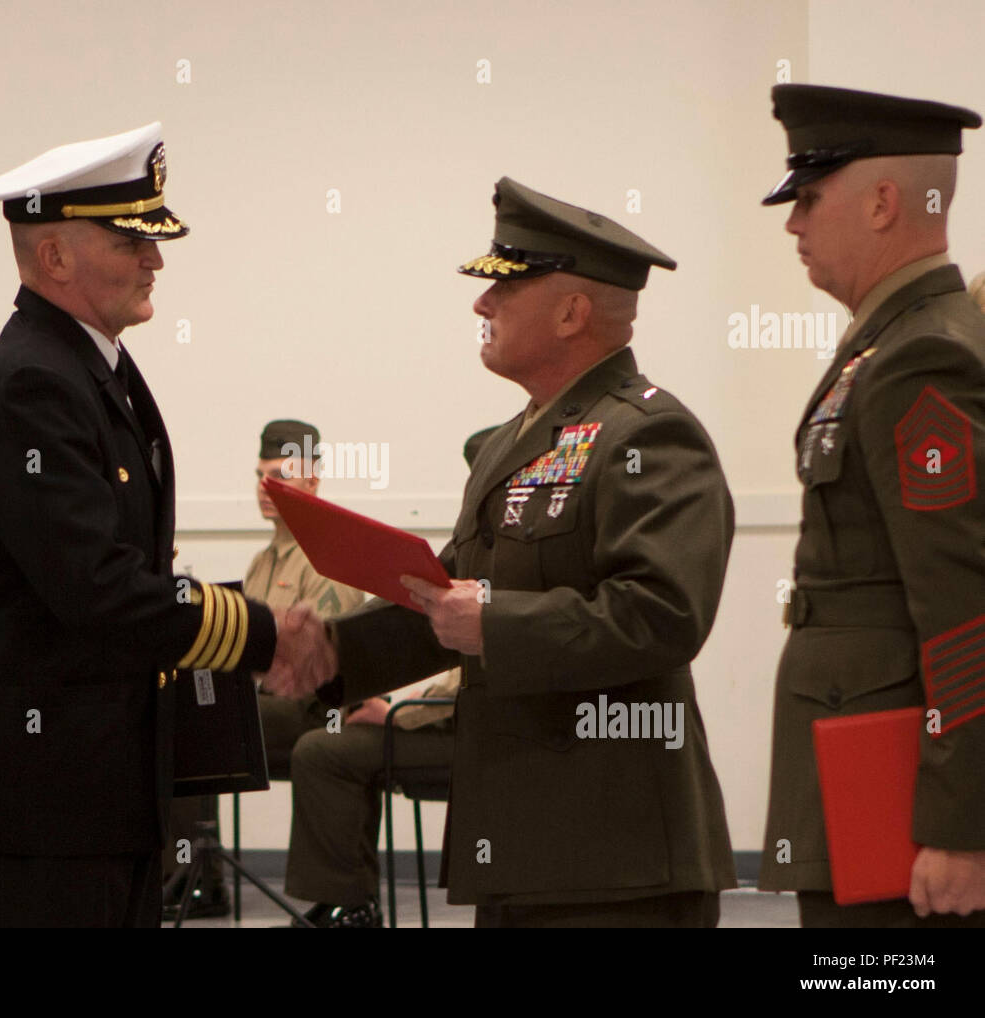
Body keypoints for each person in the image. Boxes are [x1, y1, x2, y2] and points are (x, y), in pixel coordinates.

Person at [270, 178, 737, 927]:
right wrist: (333, 651)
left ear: (572, 312)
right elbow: (444, 595)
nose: (481, 305)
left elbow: (663, 615)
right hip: (520, 845)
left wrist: (496, 623)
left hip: (618, 856)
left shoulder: (647, 435)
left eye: (504, 287)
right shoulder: (512, 444)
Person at [0, 122, 328, 928]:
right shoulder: (31, 384)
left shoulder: (89, 365)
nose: (156, 259)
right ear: (54, 258)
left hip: (103, 795)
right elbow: (99, 588)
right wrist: (264, 636)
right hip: (42, 808)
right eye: (131, 240)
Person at [758, 84, 985, 927]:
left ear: (884, 203)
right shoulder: (889, 344)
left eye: (810, 199)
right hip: (867, 783)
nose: (794, 224)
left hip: (902, 801)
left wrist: (962, 829)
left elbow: (963, 605)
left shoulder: (922, 357)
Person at [283, 427, 496, 928]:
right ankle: (345, 902)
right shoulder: (479, 550)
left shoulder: (505, 560)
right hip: (451, 721)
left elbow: (464, 674)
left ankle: (351, 905)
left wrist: (399, 717)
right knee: (324, 746)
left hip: (468, 728)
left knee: (325, 750)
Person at [162, 419, 363, 920]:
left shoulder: (328, 552)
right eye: (260, 475)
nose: (266, 488)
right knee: (179, 705)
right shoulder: (262, 562)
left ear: (312, 482)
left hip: (315, 708)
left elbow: (319, 663)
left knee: (194, 722)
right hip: (264, 700)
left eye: (281, 475)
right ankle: (190, 876)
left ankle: (194, 880)